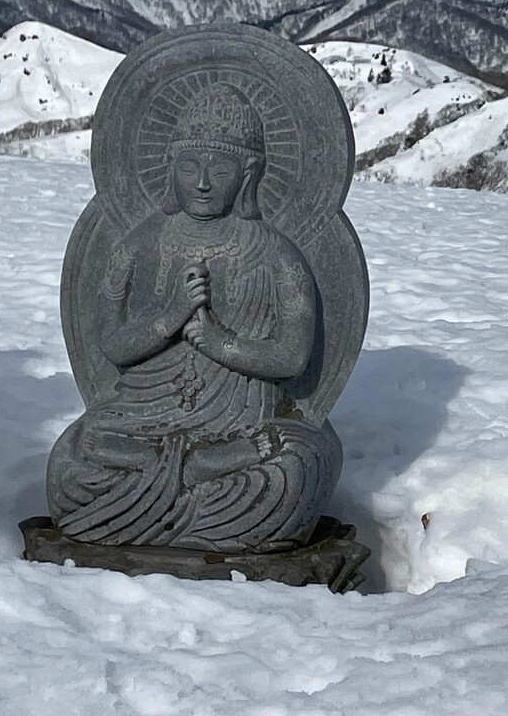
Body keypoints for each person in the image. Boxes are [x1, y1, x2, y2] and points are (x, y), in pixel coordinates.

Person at [47, 82, 341, 552]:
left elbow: (292, 358)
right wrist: (169, 317)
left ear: (247, 174)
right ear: (171, 167)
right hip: (142, 413)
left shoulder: (275, 255)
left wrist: (219, 342)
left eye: (219, 168)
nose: (202, 182)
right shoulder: (139, 246)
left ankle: (166, 478)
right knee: (74, 460)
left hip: (239, 418)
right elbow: (112, 346)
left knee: (299, 466)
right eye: (189, 166)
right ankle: (192, 469)